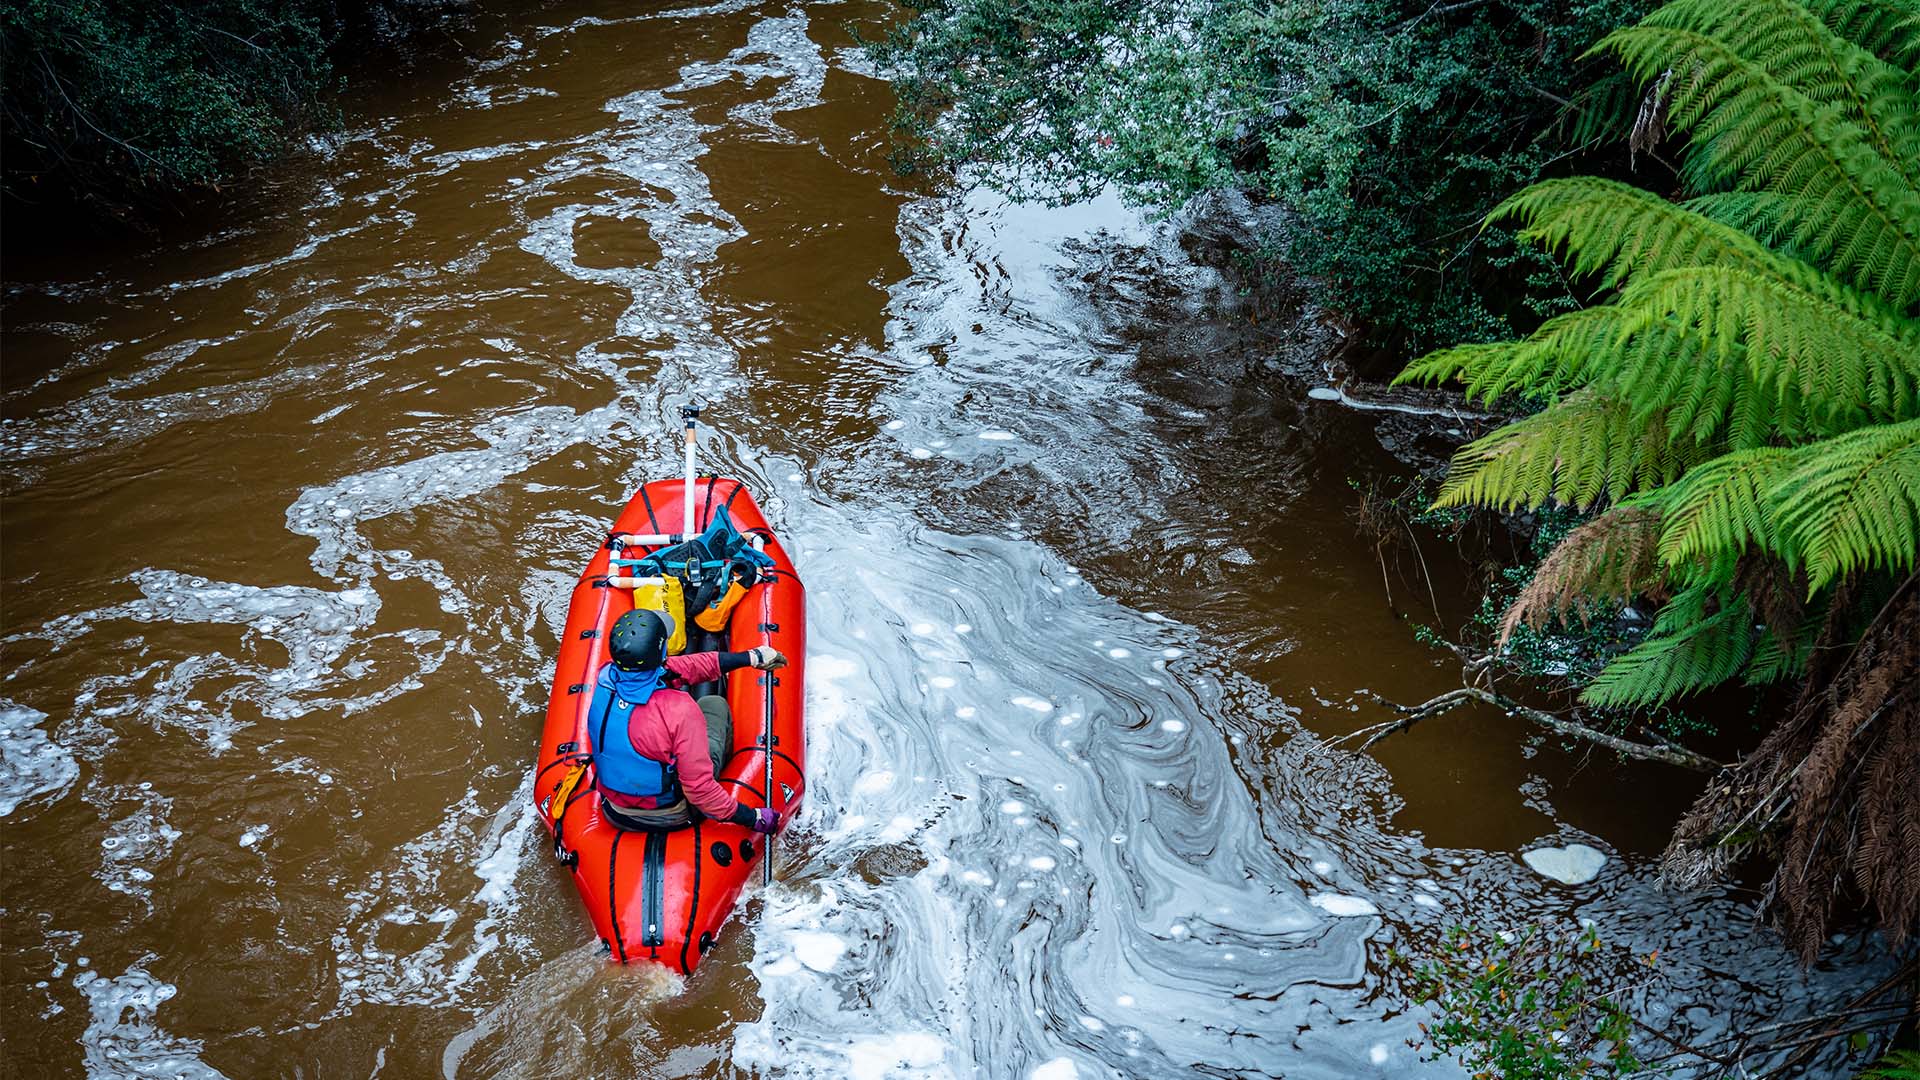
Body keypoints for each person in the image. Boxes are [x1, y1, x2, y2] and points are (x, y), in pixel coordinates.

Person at [590, 607, 786, 833]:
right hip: (669, 813)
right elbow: (700, 792)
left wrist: (751, 657)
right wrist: (754, 818)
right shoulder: (680, 710)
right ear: (661, 654)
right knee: (714, 705)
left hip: (614, 808)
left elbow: (687, 667)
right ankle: (729, 768)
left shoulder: (606, 678)